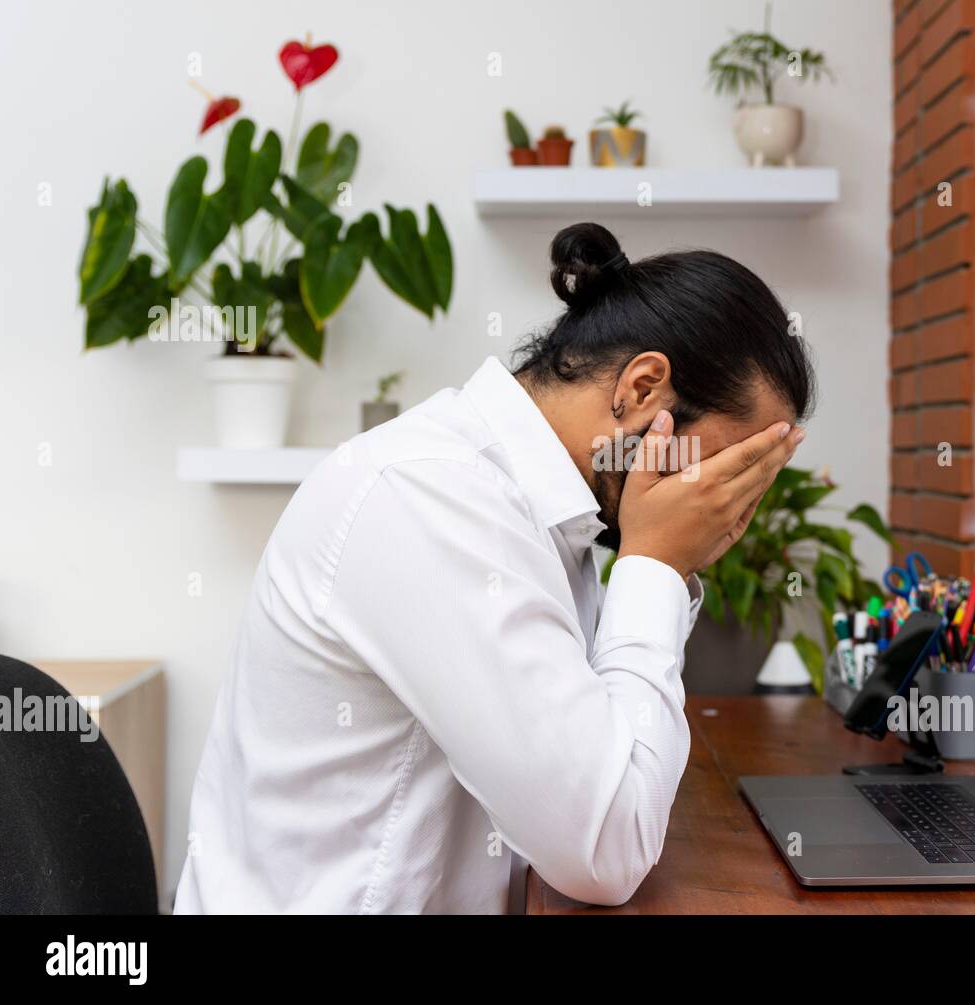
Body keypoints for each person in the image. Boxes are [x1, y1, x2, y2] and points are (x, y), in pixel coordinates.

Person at [175, 222, 814, 913]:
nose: (724, 506)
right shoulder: (433, 495)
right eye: (726, 468)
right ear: (642, 387)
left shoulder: (547, 510)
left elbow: (610, 757)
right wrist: (656, 561)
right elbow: (606, 848)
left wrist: (657, 560)